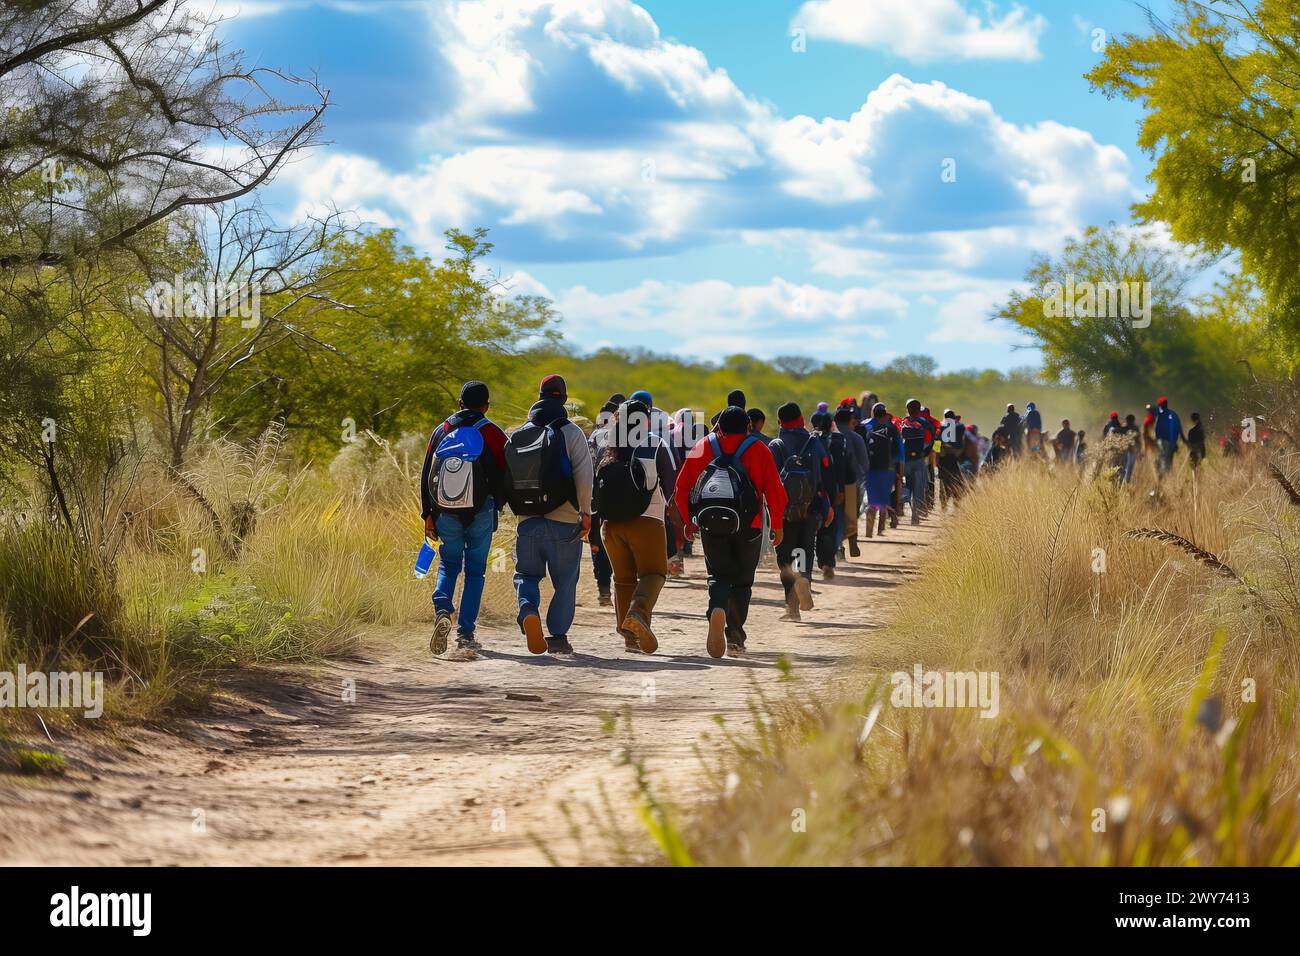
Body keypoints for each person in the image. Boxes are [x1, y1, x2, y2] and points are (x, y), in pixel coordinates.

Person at [677, 406, 786, 658]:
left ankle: (717, 607)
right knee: (742, 582)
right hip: (750, 526)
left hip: (711, 525)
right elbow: (775, 491)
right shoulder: (759, 448)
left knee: (718, 574)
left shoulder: (703, 446)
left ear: (719, 427)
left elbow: (682, 488)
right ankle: (735, 637)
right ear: (748, 426)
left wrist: (690, 521)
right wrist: (777, 524)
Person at [507, 374, 593, 657]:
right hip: (565, 520)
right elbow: (584, 477)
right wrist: (585, 512)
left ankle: (528, 609)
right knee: (565, 581)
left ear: (540, 395)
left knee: (526, 575)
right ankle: (557, 637)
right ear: (564, 398)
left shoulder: (522, 431)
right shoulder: (572, 432)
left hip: (528, 520)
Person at [421, 380, 509, 655]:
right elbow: (507, 474)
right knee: (475, 572)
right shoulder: (493, 433)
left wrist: (427, 514)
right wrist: (498, 505)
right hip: (482, 511)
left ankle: (443, 608)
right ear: (486, 406)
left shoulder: (441, 430)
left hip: (444, 511)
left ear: (459, 403)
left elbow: (426, 475)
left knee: (448, 565)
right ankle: (466, 634)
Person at [592, 399, 678, 654]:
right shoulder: (655, 444)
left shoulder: (604, 444)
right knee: (654, 574)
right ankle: (638, 612)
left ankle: (631, 639)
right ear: (646, 420)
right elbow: (671, 487)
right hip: (647, 521)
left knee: (623, 580)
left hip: (610, 525)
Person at [769, 402, 829, 621]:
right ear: (802, 419)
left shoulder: (776, 445)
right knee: (804, 550)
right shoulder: (814, 442)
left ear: (779, 422)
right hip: (810, 506)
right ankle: (804, 579)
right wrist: (828, 505)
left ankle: (792, 608)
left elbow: (769, 479)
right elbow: (825, 468)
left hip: (784, 510)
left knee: (785, 556)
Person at [587, 394, 625, 607]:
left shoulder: (596, 435)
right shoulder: (629, 436)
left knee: (598, 542)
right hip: (621, 496)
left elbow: (589, 466)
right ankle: (622, 589)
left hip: (597, 494)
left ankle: (603, 588)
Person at [811, 409, 848, 579]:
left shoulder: (809, 440)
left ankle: (811, 563)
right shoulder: (839, 440)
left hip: (812, 489)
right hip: (831, 489)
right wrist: (841, 490)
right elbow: (841, 469)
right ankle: (827, 563)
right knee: (829, 526)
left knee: (812, 526)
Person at [862, 402, 903, 537]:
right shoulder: (892, 428)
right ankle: (880, 529)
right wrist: (899, 470)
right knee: (883, 498)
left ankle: (868, 531)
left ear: (873, 413)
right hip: (888, 469)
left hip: (869, 469)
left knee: (872, 499)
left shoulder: (865, 426)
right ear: (885, 414)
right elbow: (899, 452)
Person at [835, 405, 868, 556]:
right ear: (850, 421)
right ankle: (852, 542)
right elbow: (864, 463)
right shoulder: (856, 437)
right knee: (851, 513)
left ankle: (837, 546)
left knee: (835, 513)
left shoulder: (829, 435)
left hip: (831, 482)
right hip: (852, 481)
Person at [898, 399, 934, 526]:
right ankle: (915, 516)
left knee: (908, 487)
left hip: (906, 460)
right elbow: (934, 437)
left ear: (908, 409)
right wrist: (927, 451)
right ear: (919, 409)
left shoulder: (903, 422)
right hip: (919, 460)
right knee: (918, 490)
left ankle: (904, 509)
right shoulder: (924, 423)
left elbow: (898, 439)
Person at [935, 409, 968, 509]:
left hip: (943, 458)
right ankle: (956, 505)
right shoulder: (959, 427)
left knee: (943, 484)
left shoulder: (941, 427)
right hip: (953, 459)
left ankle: (943, 506)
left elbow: (936, 444)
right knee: (956, 481)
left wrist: (937, 458)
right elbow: (961, 445)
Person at [1153, 397, 1185, 478]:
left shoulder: (1159, 414)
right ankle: (1167, 479)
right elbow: (1179, 429)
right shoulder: (1173, 414)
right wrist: (1183, 441)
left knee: (1163, 459)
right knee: (1169, 461)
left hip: (1162, 441)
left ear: (1160, 405)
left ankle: (1161, 478)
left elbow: (1156, 429)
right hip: (1172, 442)